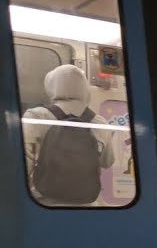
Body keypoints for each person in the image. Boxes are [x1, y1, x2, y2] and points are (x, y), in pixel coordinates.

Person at [22, 64, 115, 205]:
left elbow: (23, 165)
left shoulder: (36, 115)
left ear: (52, 86)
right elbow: (107, 162)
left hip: (45, 203)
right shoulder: (99, 121)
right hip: (87, 204)